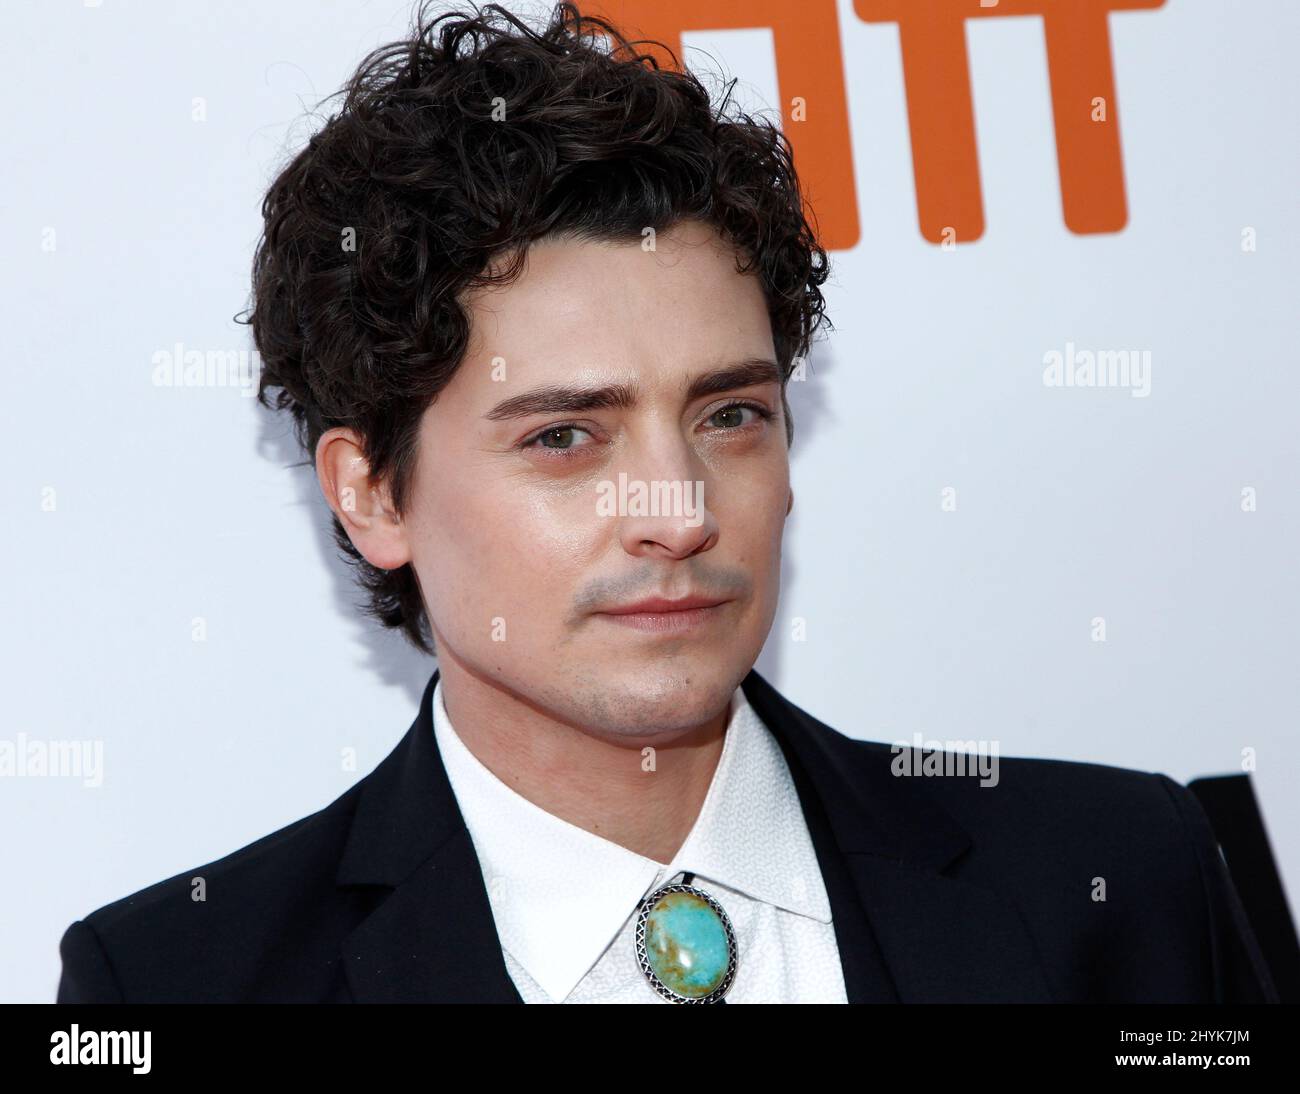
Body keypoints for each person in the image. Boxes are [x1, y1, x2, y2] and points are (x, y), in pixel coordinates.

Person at [55, 0, 1277, 1003]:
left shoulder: (1121, 883)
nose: (677, 508)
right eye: (565, 436)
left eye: (728, 414)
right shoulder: (178, 983)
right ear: (370, 491)